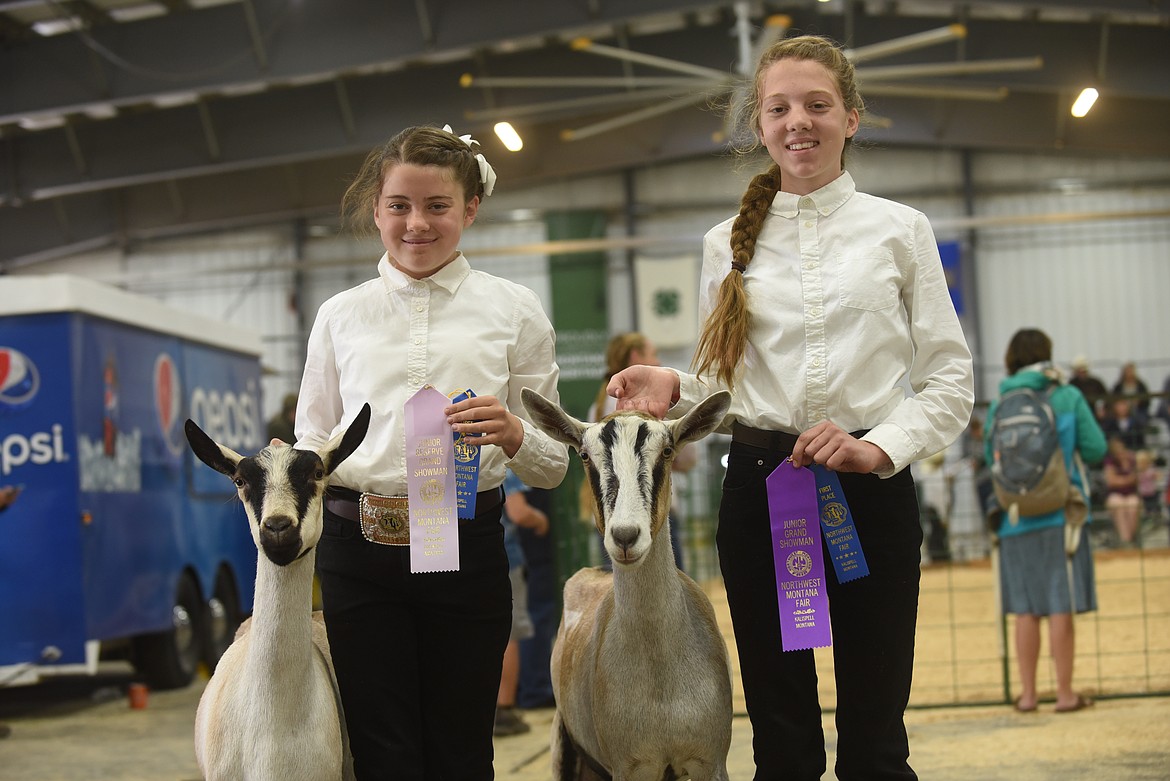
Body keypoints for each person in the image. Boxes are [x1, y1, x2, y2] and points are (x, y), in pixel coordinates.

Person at [606, 35, 974, 781]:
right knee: (780, 735)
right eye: (778, 108)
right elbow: (723, 383)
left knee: (875, 736)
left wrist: (881, 446)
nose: (797, 121)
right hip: (763, 486)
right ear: (759, 124)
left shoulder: (901, 231)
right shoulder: (725, 243)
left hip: (870, 483)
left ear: (852, 117)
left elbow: (950, 379)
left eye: (817, 104)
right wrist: (673, 385)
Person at [294, 124, 569, 779]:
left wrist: (513, 432)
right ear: (377, 208)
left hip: (466, 548)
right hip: (356, 555)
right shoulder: (339, 315)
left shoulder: (516, 310)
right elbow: (314, 437)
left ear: (470, 209)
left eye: (437, 206)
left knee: (461, 751)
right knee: (380, 753)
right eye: (399, 205)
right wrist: (290, 465)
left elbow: (554, 463)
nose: (417, 223)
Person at [983, 328, 1105, 714]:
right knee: (1060, 603)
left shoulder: (1002, 401)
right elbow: (1096, 448)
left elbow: (990, 457)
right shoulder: (1067, 395)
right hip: (1061, 514)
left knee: (1025, 608)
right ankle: (1066, 695)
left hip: (1014, 517)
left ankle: (1029, 695)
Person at [588, 332, 689, 569]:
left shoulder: (598, 407)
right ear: (636, 357)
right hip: (653, 511)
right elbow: (687, 458)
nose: (658, 362)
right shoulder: (650, 407)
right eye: (654, 355)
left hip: (607, 512)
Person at [494, 469, 549, 737]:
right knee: (510, 633)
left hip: (462, 555)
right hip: (505, 555)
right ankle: (503, 709)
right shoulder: (499, 459)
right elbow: (518, 511)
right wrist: (540, 520)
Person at [1103, 436, 1142, 546]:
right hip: (1114, 495)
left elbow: (1138, 477)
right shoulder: (1110, 461)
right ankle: (1125, 540)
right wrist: (1128, 480)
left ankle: (1130, 539)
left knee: (1133, 504)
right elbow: (1111, 481)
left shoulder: (1131, 458)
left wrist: (1121, 480)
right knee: (1118, 504)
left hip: (1131, 494)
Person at [1068, 355, 1108, 421]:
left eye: (1083, 371)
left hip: (1094, 415)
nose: (1081, 374)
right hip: (1077, 415)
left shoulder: (1096, 383)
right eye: (1079, 371)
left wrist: (1101, 409)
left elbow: (1104, 397)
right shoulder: (1071, 384)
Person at [1112, 361, 1151, 425]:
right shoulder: (1118, 386)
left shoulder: (1141, 385)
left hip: (1138, 409)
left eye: (1131, 371)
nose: (1129, 373)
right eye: (1127, 371)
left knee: (1140, 419)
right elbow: (1113, 399)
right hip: (1121, 411)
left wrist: (1139, 402)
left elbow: (1147, 400)